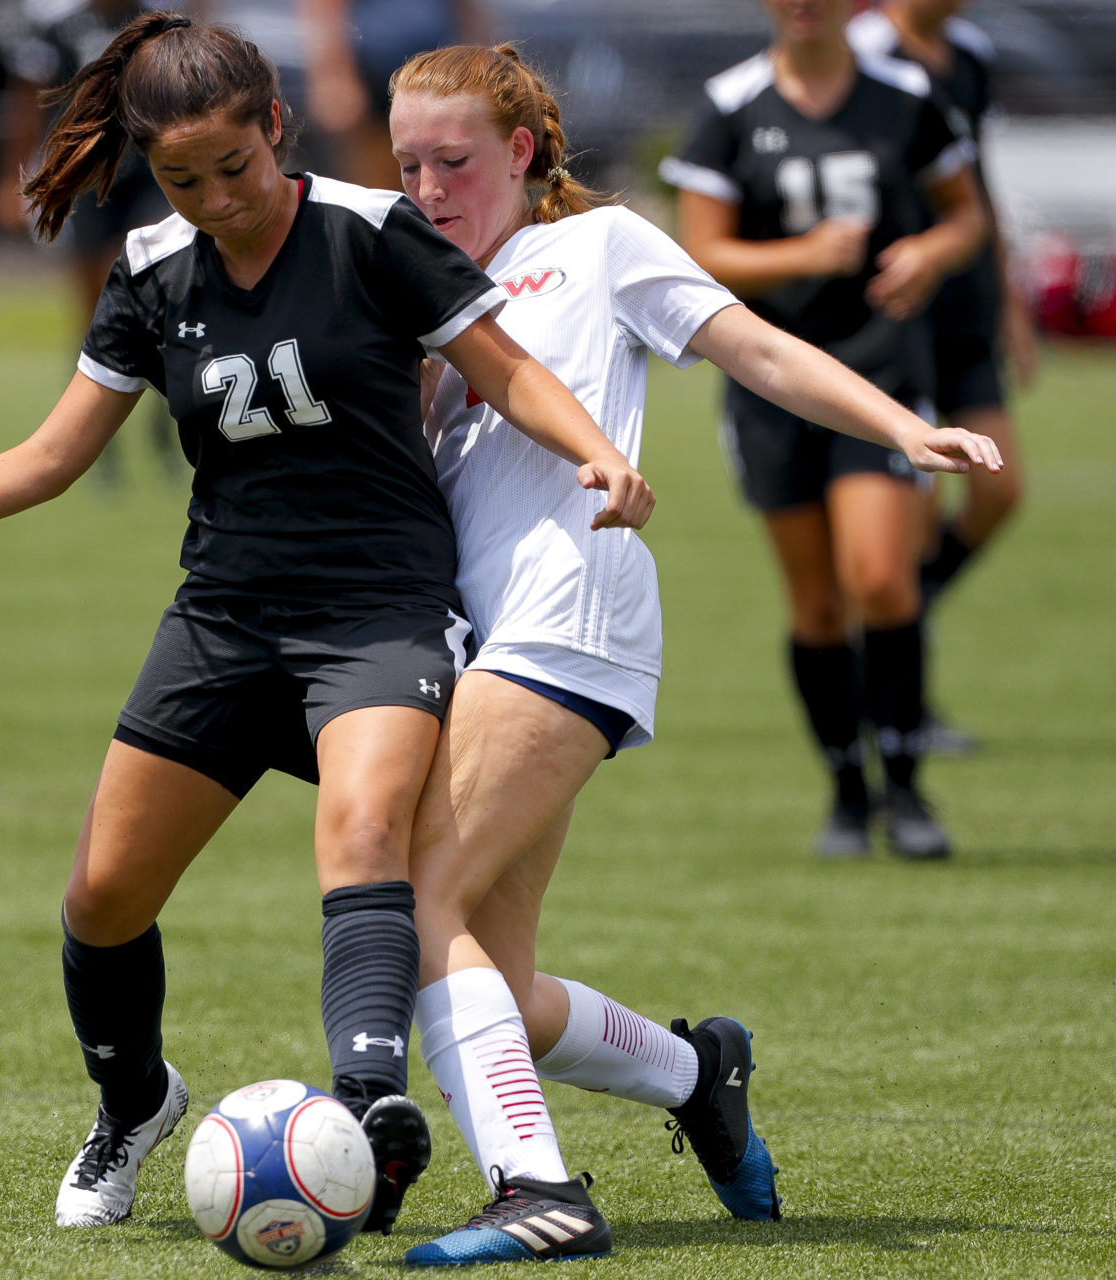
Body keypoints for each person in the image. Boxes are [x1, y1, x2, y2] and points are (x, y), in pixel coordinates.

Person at [0, 11, 652, 1236]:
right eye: (181, 177)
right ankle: (135, 1100)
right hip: (224, 621)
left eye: (235, 169)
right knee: (103, 896)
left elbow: (509, 368)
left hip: (379, 612)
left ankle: (367, 1116)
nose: (216, 199)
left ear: (278, 128)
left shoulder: (371, 232)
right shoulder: (151, 269)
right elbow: (54, 455)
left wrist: (597, 458)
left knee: (362, 833)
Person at [384, 43, 1001, 1264]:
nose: (428, 186)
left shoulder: (604, 244)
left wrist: (901, 427)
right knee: (493, 976)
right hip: (471, 633)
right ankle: (696, 1070)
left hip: (573, 612)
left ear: (521, 150)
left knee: (414, 905)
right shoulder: (418, 276)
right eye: (407, 164)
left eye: (453, 160)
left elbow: (753, 346)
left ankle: (536, 1191)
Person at [661, 0, 987, 859]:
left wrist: (931, 251)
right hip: (771, 379)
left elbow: (966, 212)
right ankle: (847, 794)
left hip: (881, 367)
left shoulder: (904, 95)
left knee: (881, 577)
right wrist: (803, 257)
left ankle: (908, 791)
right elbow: (698, 253)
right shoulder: (733, 105)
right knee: (814, 602)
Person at [848, 0, 1033, 754]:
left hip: (965, 305)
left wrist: (1010, 299)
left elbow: (974, 187)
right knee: (911, 519)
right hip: (897, 313)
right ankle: (904, 709)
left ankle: (892, 637)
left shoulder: (972, 54)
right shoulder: (862, 51)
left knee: (998, 489)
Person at [0, 0, 185, 486]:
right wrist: (11, 179)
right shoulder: (56, 29)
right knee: (97, 314)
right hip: (89, 180)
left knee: (168, 305)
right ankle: (99, 449)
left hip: (149, 177)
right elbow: (27, 103)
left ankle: (172, 430)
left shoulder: (155, 23)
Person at [297, 0, 487, 189]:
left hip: (442, 75)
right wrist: (334, 77)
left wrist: (483, 62)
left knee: (445, 181)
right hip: (374, 81)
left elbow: (467, 9)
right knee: (379, 192)